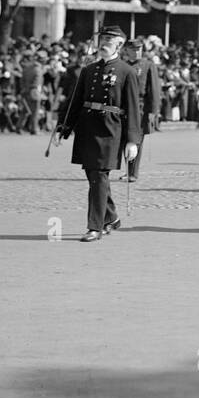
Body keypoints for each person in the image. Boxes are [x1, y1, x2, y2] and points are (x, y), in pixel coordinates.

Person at [57, 25, 142, 243]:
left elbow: (133, 107)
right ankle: (111, 217)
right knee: (95, 177)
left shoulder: (127, 72)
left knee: (98, 177)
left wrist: (133, 141)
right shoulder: (88, 70)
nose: (103, 43)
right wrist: (64, 127)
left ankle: (94, 227)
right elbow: (75, 101)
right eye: (102, 39)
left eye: (109, 40)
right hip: (88, 128)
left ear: (120, 45)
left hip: (111, 130)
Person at [121, 38, 161, 182]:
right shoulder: (122, 65)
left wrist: (153, 111)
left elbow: (154, 90)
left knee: (136, 140)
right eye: (133, 49)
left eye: (139, 49)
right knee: (125, 139)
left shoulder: (148, 65)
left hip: (140, 107)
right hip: (124, 107)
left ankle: (133, 173)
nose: (137, 52)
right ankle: (127, 170)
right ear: (127, 50)